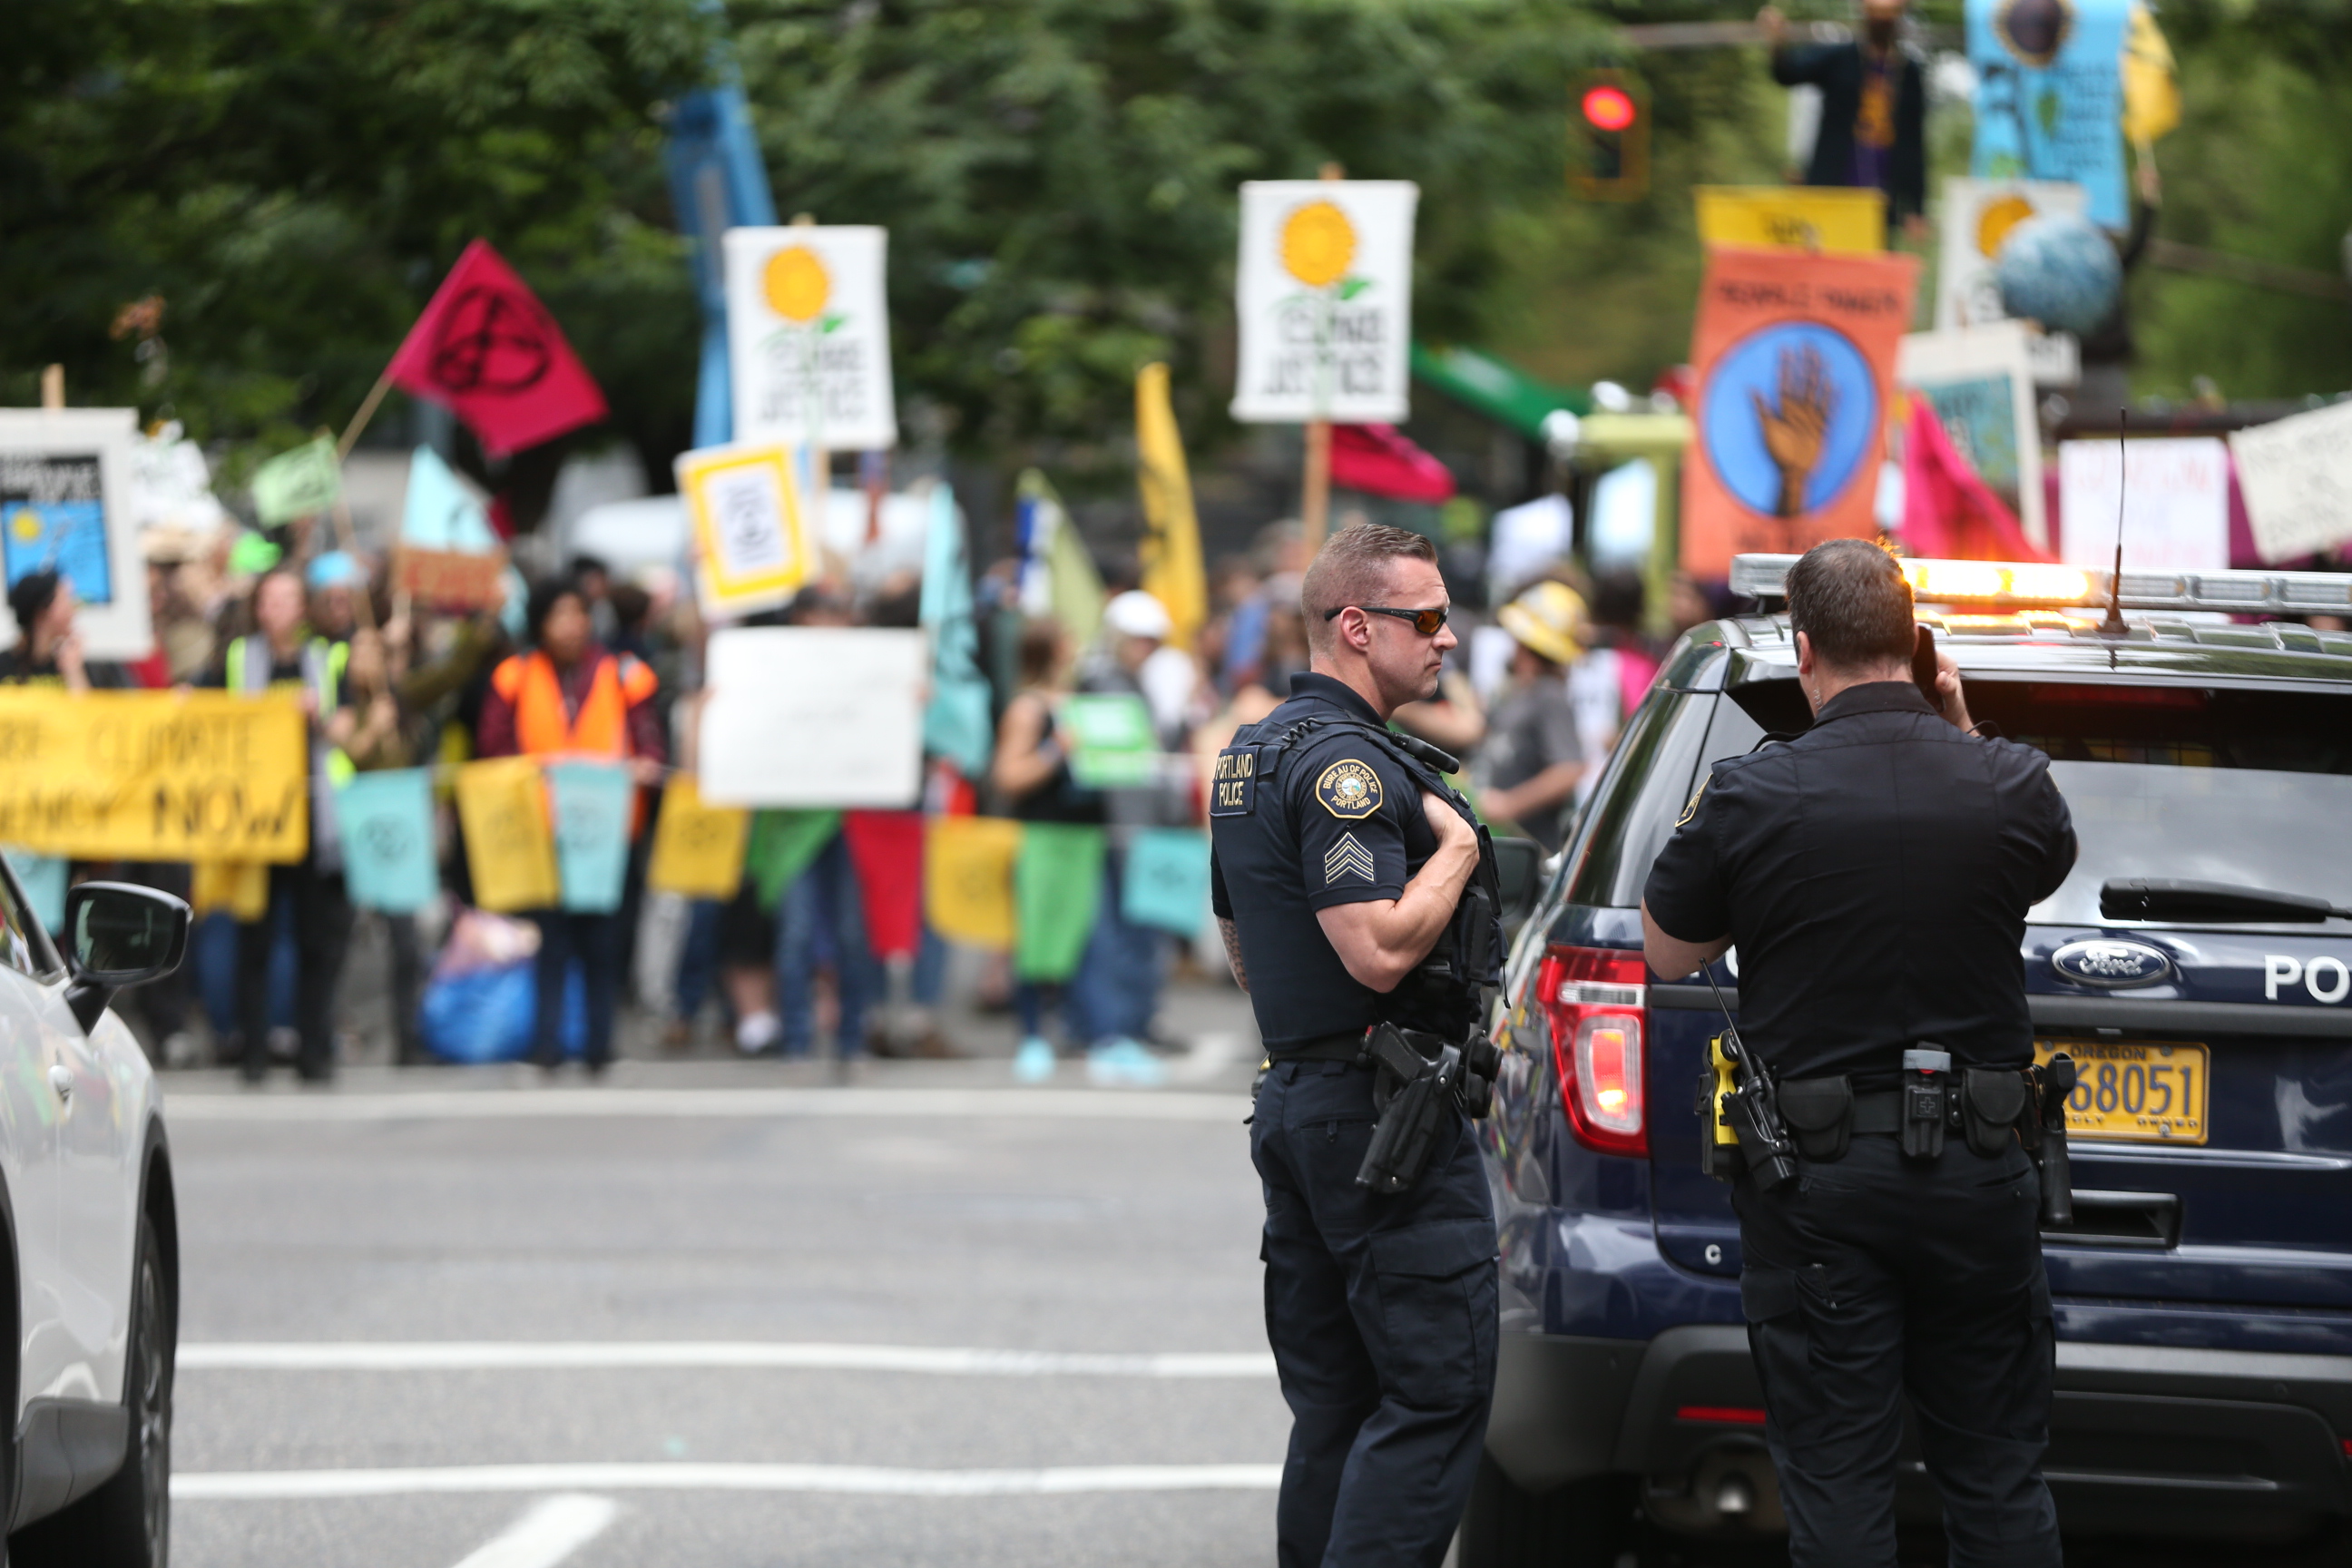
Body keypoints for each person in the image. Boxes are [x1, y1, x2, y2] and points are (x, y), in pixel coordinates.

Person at [1640, 538, 2077, 1567]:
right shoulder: (2010, 782)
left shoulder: (1750, 794)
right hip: (1982, 1175)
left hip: (1820, 1185)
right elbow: (2040, 861)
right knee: (1999, 1479)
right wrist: (1958, 715)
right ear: (1919, 646)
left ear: (1804, 650)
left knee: (1837, 1488)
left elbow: (1667, 950)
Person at [1209, 524, 1500, 1568]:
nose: (1448, 638)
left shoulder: (1253, 749)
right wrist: (1457, 853)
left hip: (1305, 1098)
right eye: (1426, 619)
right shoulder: (1345, 767)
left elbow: (1240, 930)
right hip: (1383, 1122)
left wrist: (1306, 1025)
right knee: (1434, 1394)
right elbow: (1376, 948)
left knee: (1336, 1406)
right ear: (1355, 625)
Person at [477, 579, 665, 1072]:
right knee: (551, 944)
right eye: (560, 615)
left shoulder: (626, 674)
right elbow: (491, 747)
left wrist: (645, 764)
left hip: (610, 831)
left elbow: (650, 738)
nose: (571, 626)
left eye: (579, 614)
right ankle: (547, 1049)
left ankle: (600, 1048)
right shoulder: (514, 676)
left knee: (605, 944)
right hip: (544, 830)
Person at [207, 564, 357, 1083]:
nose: (279, 609)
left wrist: (321, 718)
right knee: (257, 940)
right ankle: (254, 1053)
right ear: (258, 607)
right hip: (259, 823)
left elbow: (348, 728)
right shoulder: (236, 659)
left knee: (317, 943)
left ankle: (314, 1051)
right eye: (270, 599)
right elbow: (203, 716)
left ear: (303, 607)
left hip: (315, 824)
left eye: (290, 599)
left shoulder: (326, 660)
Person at [989, 616, 1104, 1083]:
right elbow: (1008, 777)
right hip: (1042, 835)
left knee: (1079, 938)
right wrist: (1055, 751)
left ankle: (1077, 1033)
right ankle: (1033, 1034)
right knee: (1037, 938)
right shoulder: (1028, 708)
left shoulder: (1080, 701)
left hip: (1085, 835)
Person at [1760, 0, 1928, 240]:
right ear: (1864, 12)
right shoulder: (1840, 58)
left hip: (1880, 201)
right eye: (1875, 12)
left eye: (1889, 13)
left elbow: (1914, 143)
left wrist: (1916, 208)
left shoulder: (1908, 72)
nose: (1881, 20)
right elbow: (1787, 73)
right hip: (1831, 192)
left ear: (1901, 16)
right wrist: (1777, 41)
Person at [1475, 581, 1588, 853]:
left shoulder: (1549, 695)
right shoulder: (1521, 690)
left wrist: (1508, 804)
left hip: (1526, 850)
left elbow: (1569, 769)